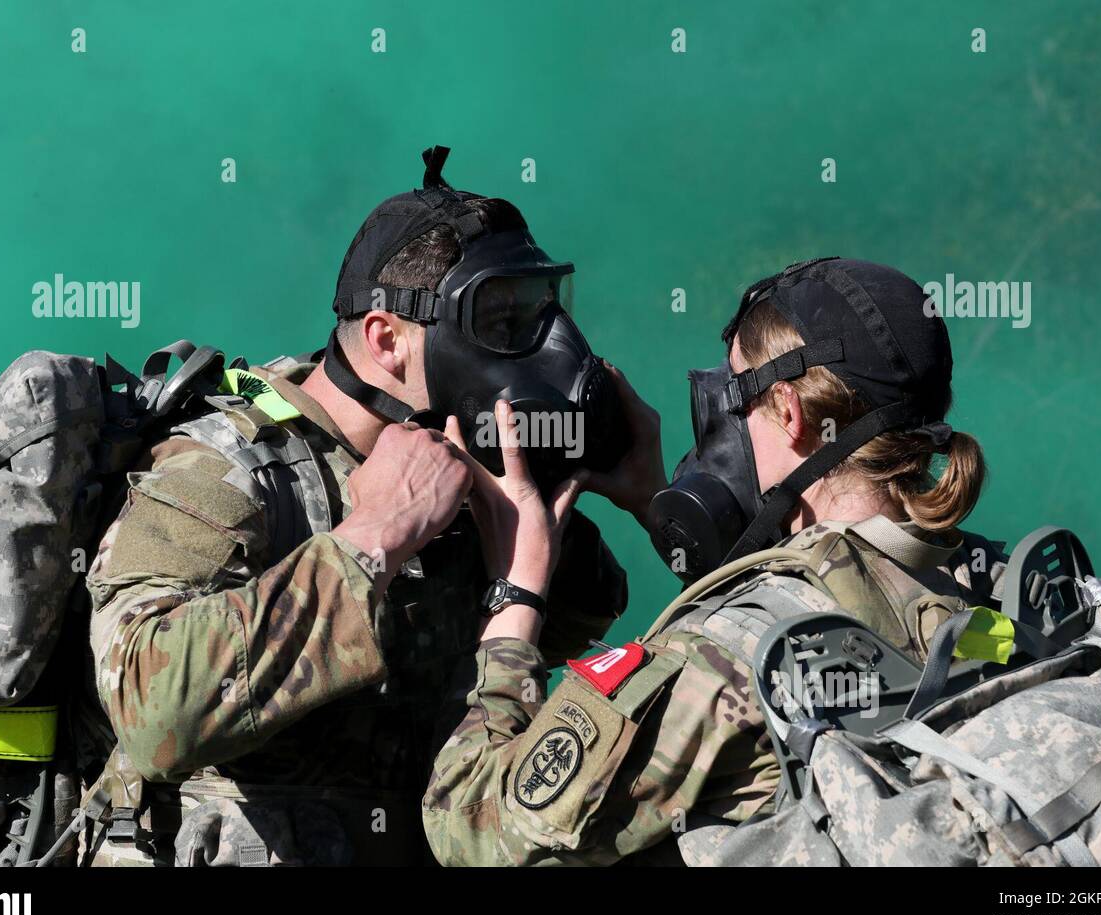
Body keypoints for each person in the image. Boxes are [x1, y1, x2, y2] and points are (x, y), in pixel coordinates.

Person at [78, 148, 627, 865]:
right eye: (500, 322)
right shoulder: (221, 469)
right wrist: (371, 539)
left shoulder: (462, 473)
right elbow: (151, 716)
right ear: (386, 339)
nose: (537, 348)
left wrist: (638, 495)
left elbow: (561, 636)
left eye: (537, 314)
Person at [421, 256, 1012, 865]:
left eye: (738, 396)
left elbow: (472, 829)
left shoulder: (718, 657)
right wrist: (657, 507)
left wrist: (516, 595)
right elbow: (808, 617)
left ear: (790, 411)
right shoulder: (998, 584)